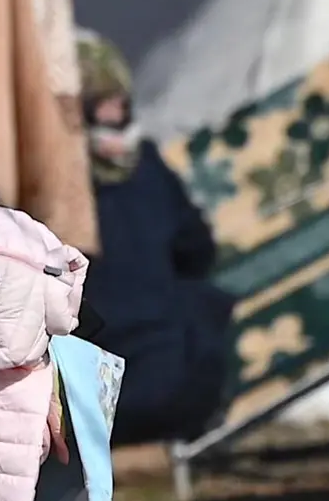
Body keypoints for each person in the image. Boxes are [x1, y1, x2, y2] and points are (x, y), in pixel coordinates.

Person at [72, 32, 236, 445]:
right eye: (104, 106)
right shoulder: (144, 165)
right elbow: (197, 249)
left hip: (89, 401)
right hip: (169, 392)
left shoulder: (40, 178)